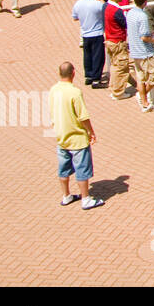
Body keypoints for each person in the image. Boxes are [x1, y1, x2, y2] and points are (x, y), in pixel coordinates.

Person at [50, 62, 103, 211]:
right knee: (82, 169)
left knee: (63, 169)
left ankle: (66, 196)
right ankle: (86, 198)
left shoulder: (54, 90)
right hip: (77, 138)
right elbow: (83, 116)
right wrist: (91, 132)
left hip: (61, 136)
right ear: (73, 73)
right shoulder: (75, 92)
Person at [126, 0, 154, 113]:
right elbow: (144, 37)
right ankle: (143, 96)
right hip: (145, 53)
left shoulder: (130, 13)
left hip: (134, 51)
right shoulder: (142, 16)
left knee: (141, 78)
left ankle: (145, 102)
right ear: (145, 2)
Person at [72, 0, 106, 88]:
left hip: (85, 34)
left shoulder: (77, 5)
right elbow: (105, 11)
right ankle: (96, 79)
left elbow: (75, 18)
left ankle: (88, 76)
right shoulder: (96, 4)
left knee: (87, 56)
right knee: (98, 56)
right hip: (97, 33)